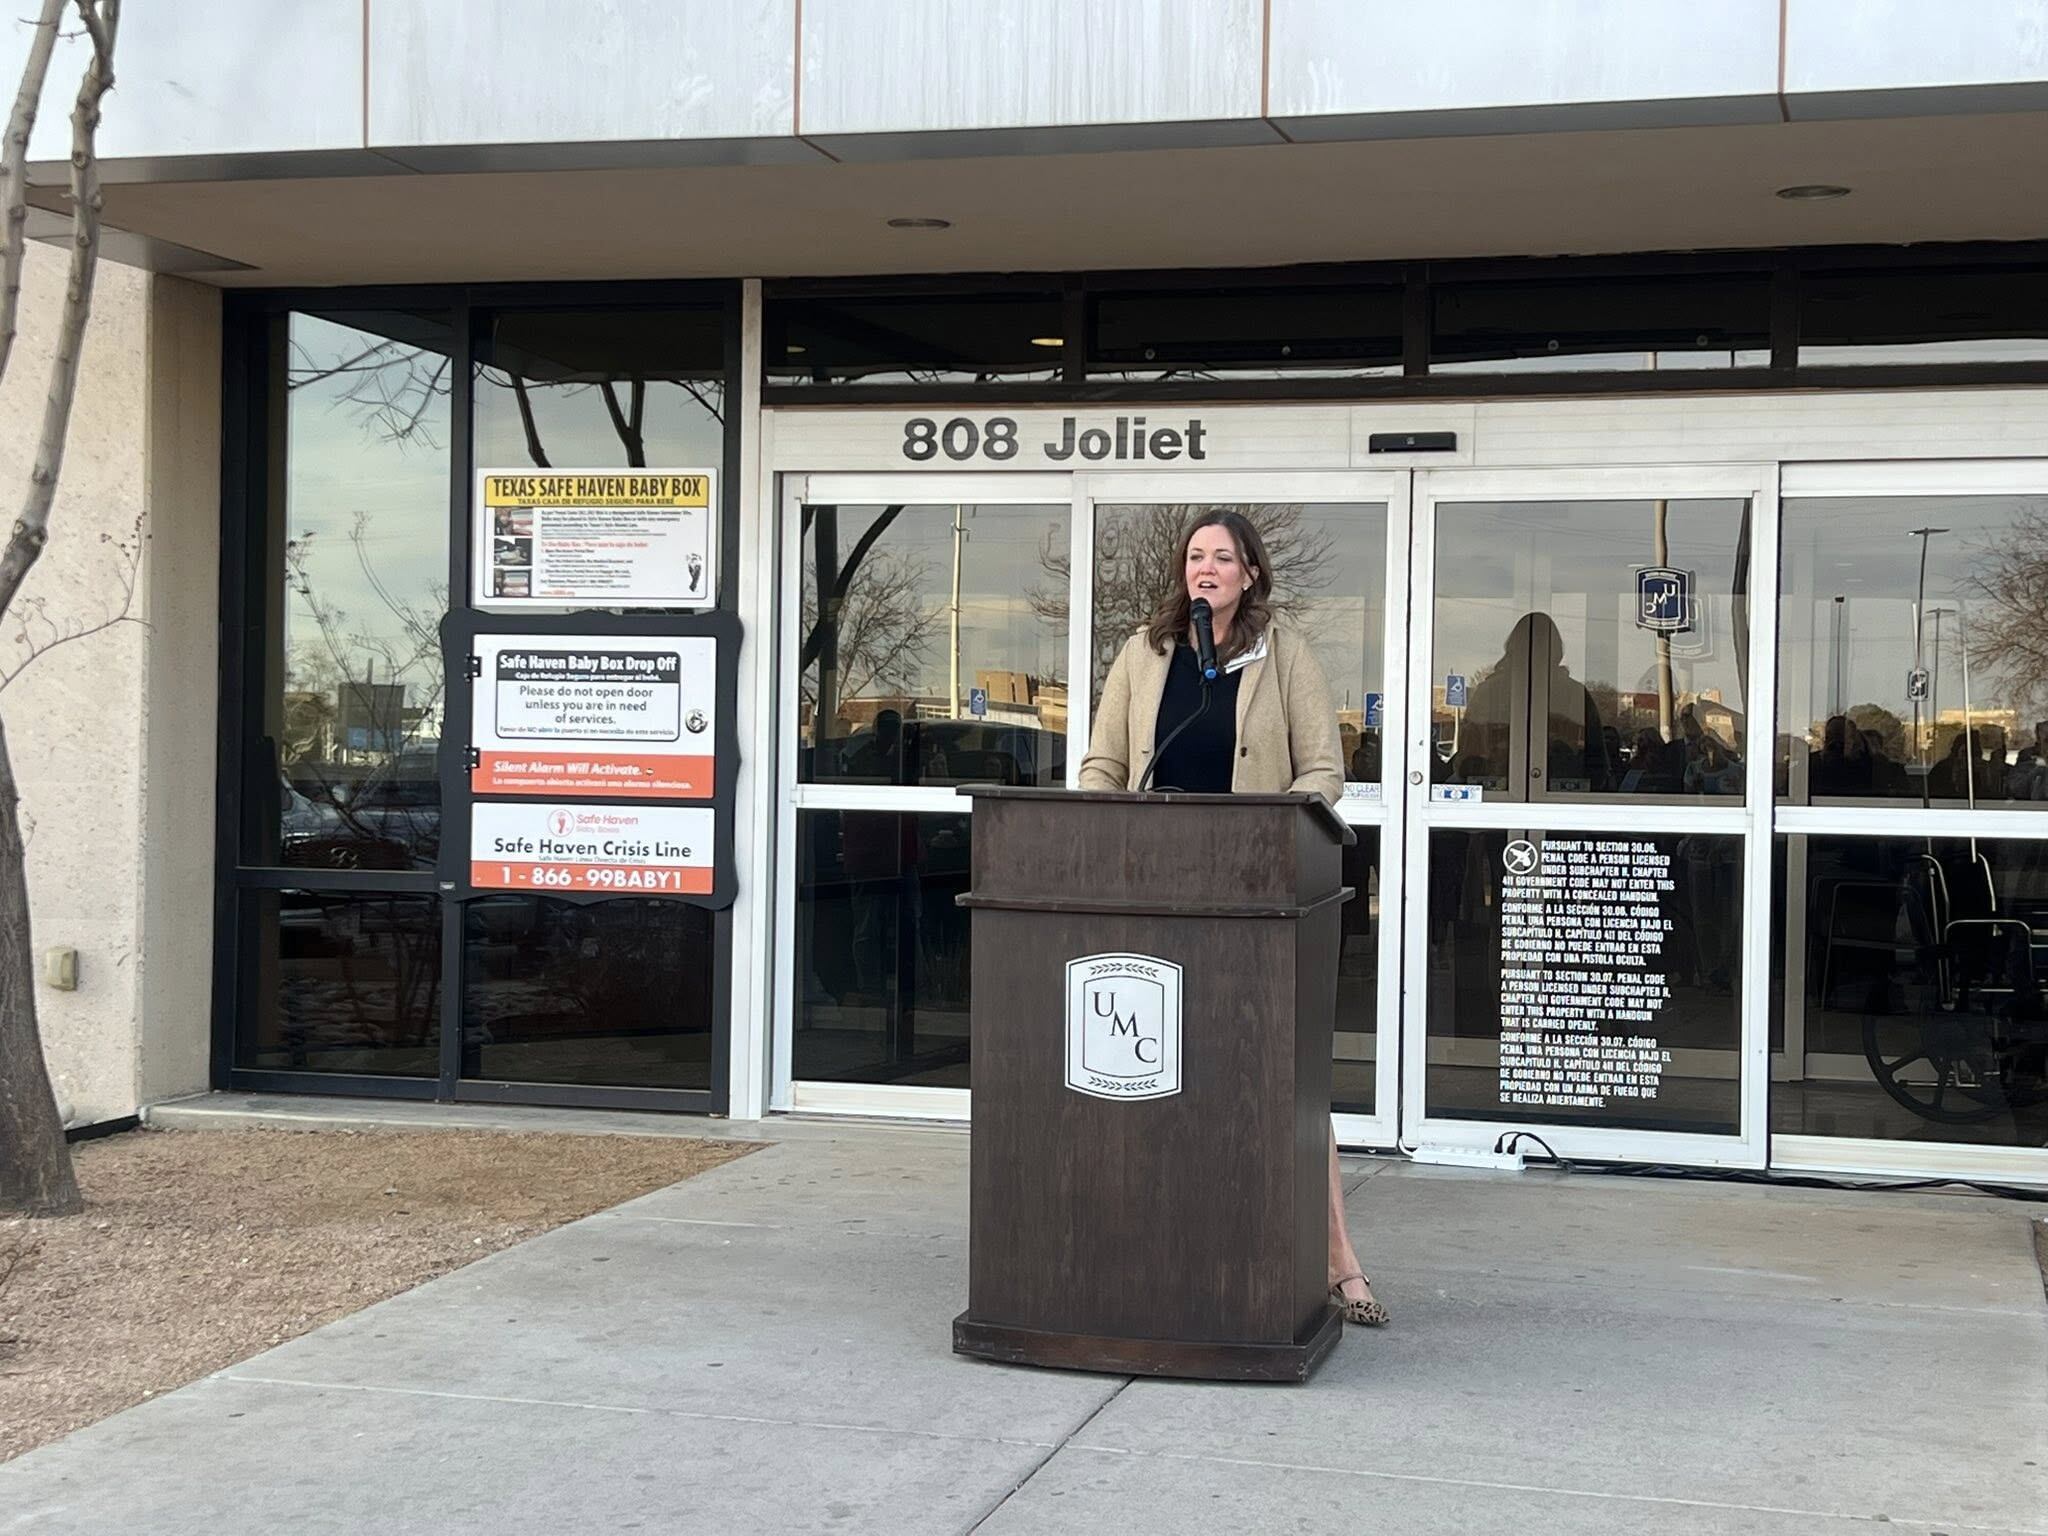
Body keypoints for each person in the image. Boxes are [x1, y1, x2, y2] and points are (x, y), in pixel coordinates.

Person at [1079, 511, 1388, 1329]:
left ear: (1250, 573)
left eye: (1223, 557)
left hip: (1258, 894)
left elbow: (1324, 770)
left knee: (1283, 1081)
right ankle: (1167, 1248)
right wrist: (1103, 833)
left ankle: (1336, 1259)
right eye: (1195, 556)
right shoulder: (1146, 653)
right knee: (1164, 1077)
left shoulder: (1282, 654)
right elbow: (1104, 764)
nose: (1206, 568)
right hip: (1152, 890)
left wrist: (1274, 825)